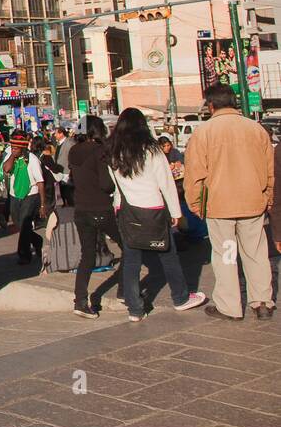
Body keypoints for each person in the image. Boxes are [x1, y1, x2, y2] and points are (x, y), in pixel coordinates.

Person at [183, 84, 276, 320]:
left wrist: (195, 205)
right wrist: (268, 197)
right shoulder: (256, 129)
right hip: (254, 201)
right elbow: (269, 171)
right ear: (234, 102)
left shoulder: (203, 133)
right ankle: (262, 301)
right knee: (256, 253)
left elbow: (194, 175)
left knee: (226, 256)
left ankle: (230, 306)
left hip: (219, 205)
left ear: (211, 105)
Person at [109, 108, 208, 321]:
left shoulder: (114, 152)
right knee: (168, 256)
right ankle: (181, 298)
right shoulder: (152, 150)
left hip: (127, 212)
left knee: (132, 261)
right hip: (153, 209)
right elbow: (166, 183)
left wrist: (118, 208)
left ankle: (135, 309)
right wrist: (176, 212)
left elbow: (116, 187)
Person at [68, 115, 123, 318]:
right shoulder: (99, 151)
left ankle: (80, 301)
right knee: (128, 247)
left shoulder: (73, 151)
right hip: (100, 208)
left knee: (87, 256)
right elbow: (107, 184)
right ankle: (124, 291)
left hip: (81, 209)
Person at [2, 131, 44, 265]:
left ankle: (24, 255)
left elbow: (40, 182)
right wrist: (12, 157)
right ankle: (37, 240)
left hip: (31, 195)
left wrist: (43, 204)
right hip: (15, 194)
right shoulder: (10, 156)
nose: (13, 150)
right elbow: (6, 169)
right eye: (12, 148)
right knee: (18, 223)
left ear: (22, 148)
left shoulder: (32, 159)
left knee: (25, 224)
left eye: (16, 149)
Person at [53, 126, 76, 204]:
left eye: (56, 133)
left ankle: (70, 204)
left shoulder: (69, 143)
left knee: (68, 190)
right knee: (63, 189)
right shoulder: (58, 143)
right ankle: (65, 203)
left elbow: (72, 157)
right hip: (60, 171)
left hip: (67, 170)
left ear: (61, 133)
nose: (54, 135)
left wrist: (71, 170)